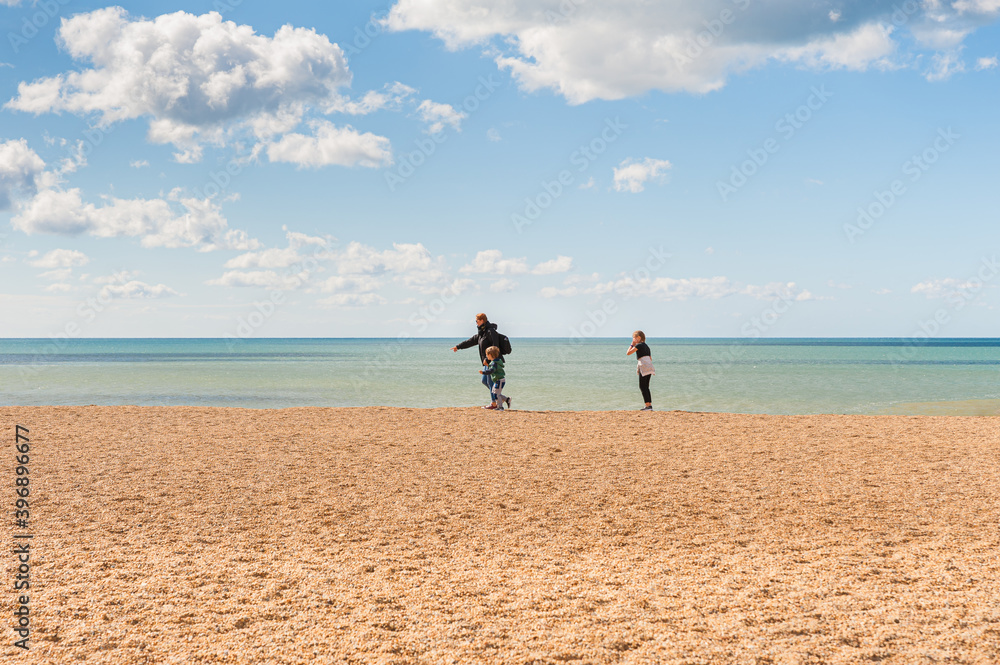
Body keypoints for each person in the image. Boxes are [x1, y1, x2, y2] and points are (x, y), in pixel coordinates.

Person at [451, 313, 505, 407]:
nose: (476, 323)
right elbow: (471, 341)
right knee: (485, 381)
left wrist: (488, 360)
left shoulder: (490, 331)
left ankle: (494, 403)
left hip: (492, 362)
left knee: (489, 382)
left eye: (477, 321)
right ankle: (501, 398)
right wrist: (458, 347)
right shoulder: (482, 333)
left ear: (482, 320)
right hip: (486, 362)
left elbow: (495, 346)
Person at [626, 330, 654, 410]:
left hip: (644, 366)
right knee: (646, 386)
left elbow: (628, 353)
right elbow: (650, 358)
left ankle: (648, 406)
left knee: (642, 386)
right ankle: (649, 405)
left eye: (634, 338)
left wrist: (632, 344)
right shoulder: (646, 346)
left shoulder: (639, 345)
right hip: (649, 367)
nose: (633, 339)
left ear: (638, 337)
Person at [479, 346, 510, 410]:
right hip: (498, 380)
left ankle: (500, 407)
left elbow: (491, 371)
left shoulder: (494, 363)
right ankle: (507, 399)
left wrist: (484, 372)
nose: (486, 356)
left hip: (499, 380)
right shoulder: (496, 361)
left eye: (487, 355)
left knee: (496, 394)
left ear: (490, 355)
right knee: (494, 393)